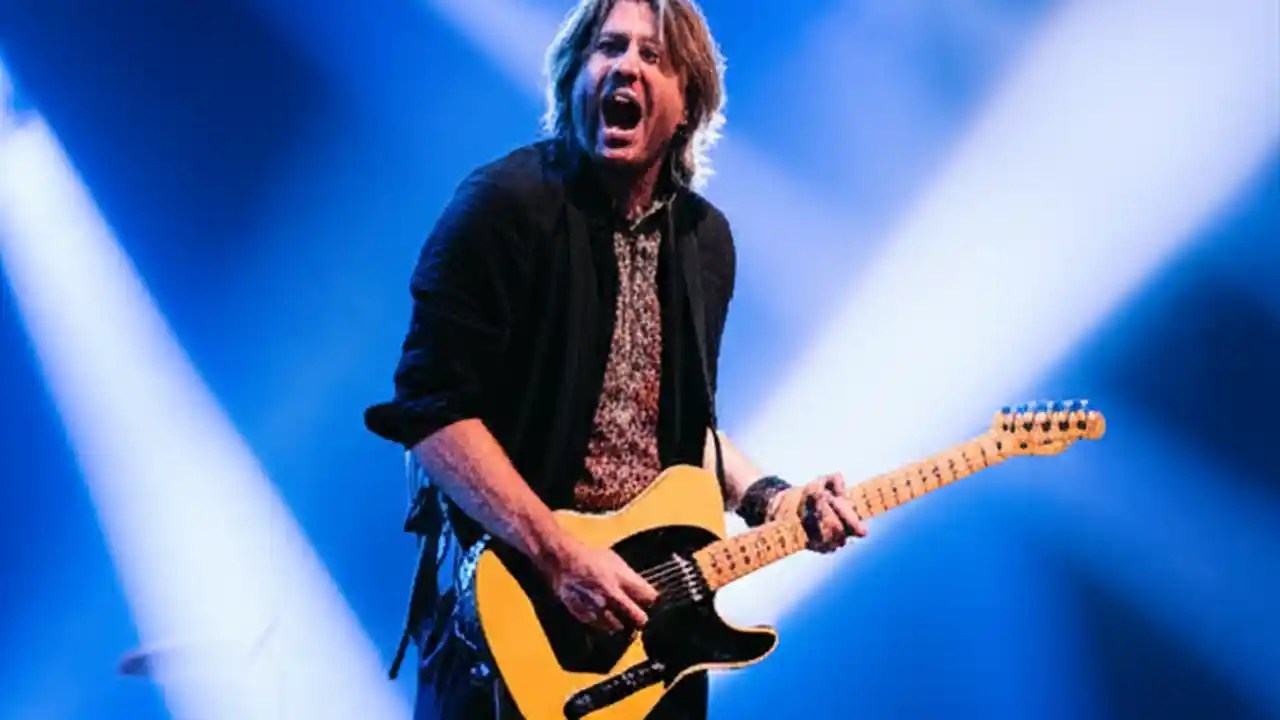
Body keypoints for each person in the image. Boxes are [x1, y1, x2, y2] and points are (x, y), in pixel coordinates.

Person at [364, 1, 867, 717]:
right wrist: (558, 555)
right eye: (607, 48)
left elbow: (682, 430)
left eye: (652, 56)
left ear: (689, 101)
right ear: (574, 76)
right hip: (514, 631)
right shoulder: (503, 207)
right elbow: (431, 413)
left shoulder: (705, 242)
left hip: (652, 638)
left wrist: (776, 501)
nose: (625, 65)